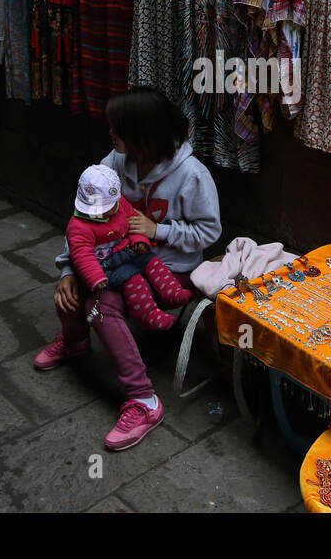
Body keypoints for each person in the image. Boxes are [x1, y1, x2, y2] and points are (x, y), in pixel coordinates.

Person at [37, 87, 221, 450]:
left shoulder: (192, 175)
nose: (110, 134)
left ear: (142, 134)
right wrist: (68, 272)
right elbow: (83, 223)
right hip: (117, 262)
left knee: (99, 304)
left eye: (117, 129)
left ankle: (144, 401)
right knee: (75, 292)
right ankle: (74, 342)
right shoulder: (112, 165)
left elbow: (209, 231)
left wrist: (159, 230)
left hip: (169, 269)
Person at [67, 163, 194, 332]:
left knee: (152, 261)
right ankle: (147, 315)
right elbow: (82, 255)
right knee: (133, 279)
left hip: (128, 251)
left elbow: (134, 219)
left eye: (111, 206)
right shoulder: (79, 227)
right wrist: (95, 277)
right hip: (106, 267)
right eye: (104, 209)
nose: (111, 211)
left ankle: (172, 292)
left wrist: (139, 240)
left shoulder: (119, 203)